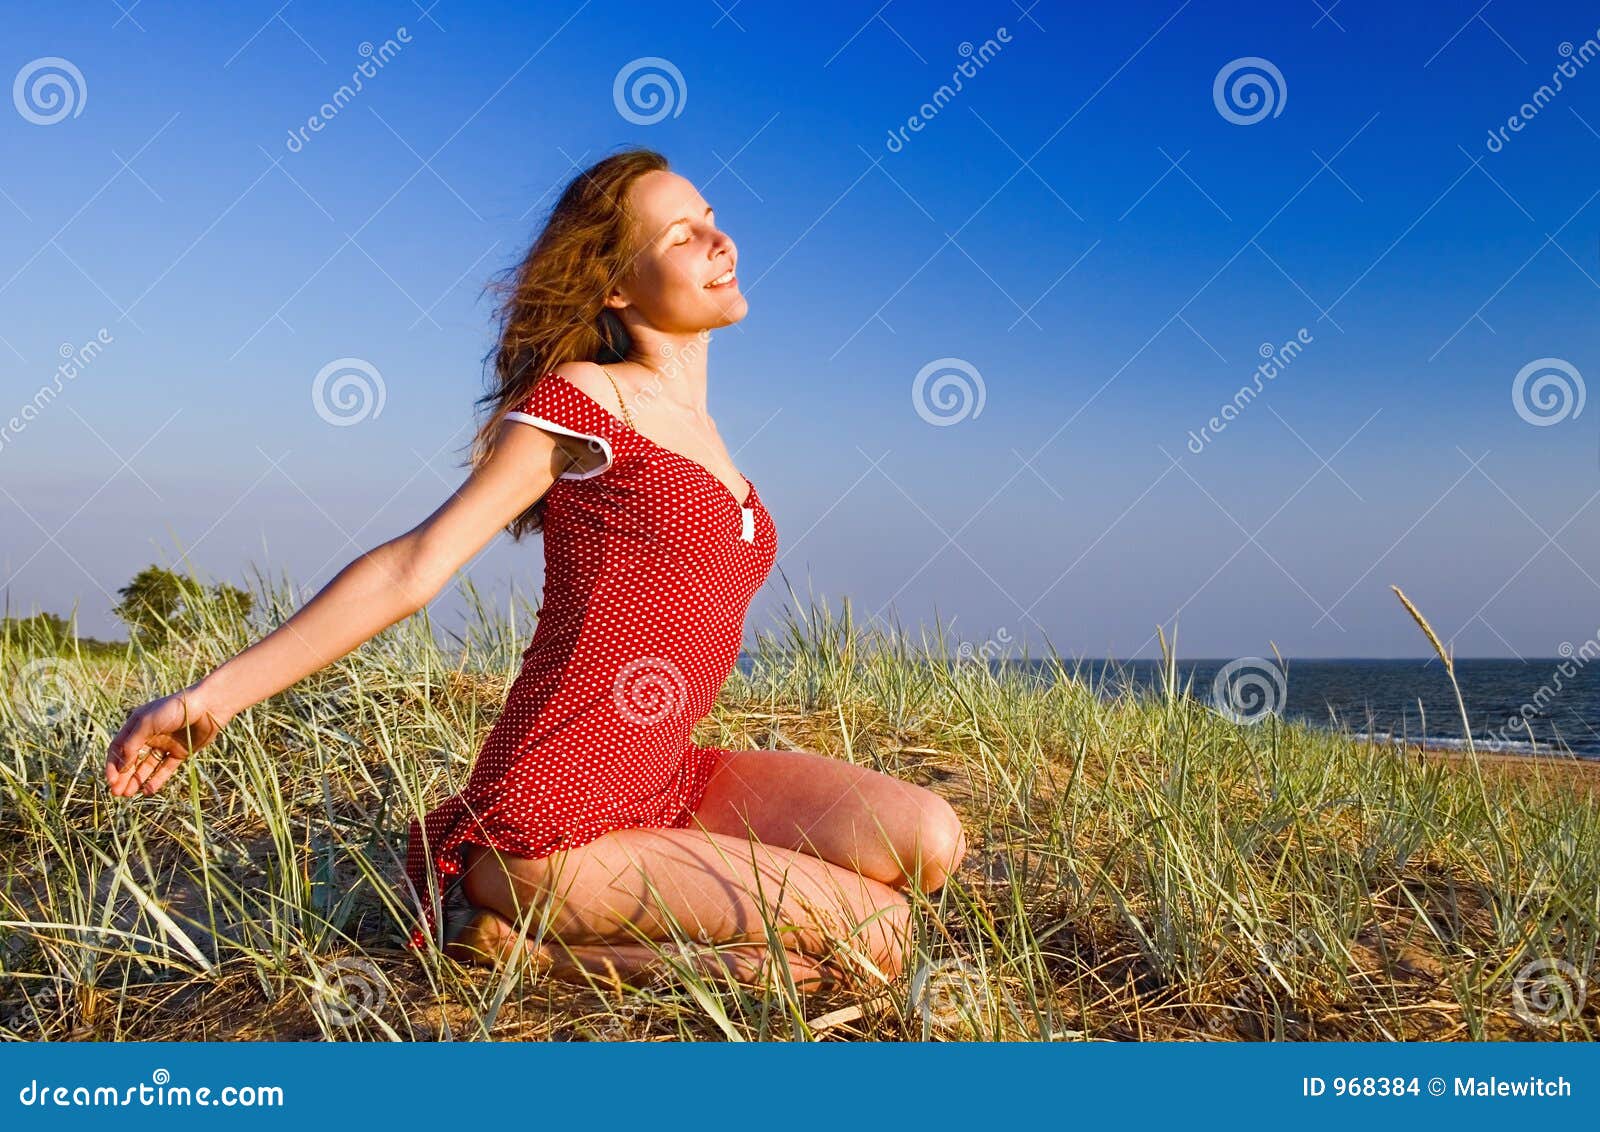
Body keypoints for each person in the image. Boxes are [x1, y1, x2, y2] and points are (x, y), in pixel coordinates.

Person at [105, 148, 967, 995]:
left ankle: (595, 919)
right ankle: (529, 938)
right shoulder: (585, 399)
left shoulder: (707, 438)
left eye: (712, 221)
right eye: (680, 235)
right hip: (554, 816)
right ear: (616, 287)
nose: (718, 242)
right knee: (880, 933)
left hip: (667, 778)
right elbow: (413, 566)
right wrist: (207, 699)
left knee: (931, 839)